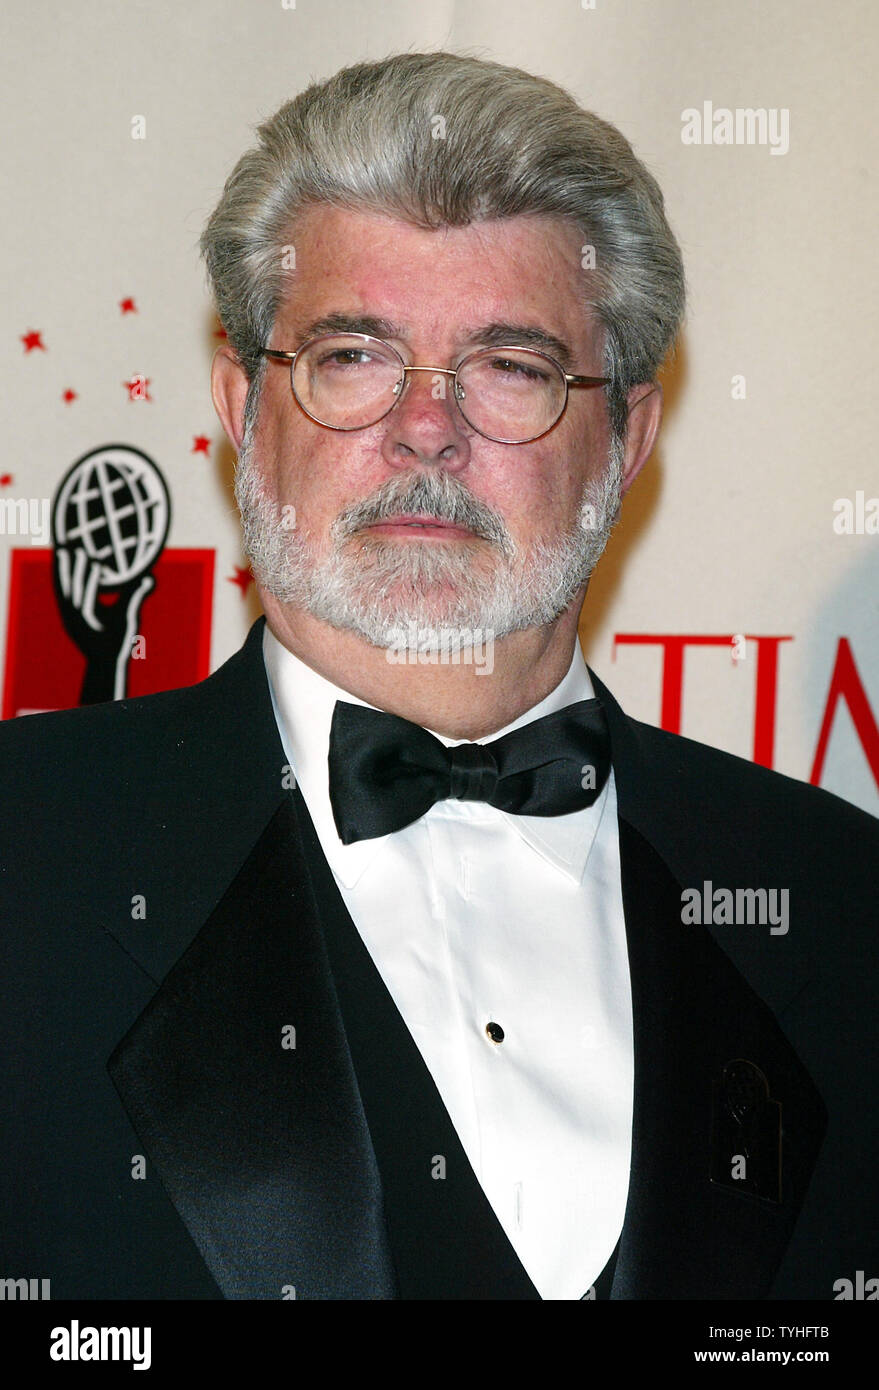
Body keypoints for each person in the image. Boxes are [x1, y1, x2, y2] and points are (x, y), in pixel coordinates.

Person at [1, 51, 876, 1302]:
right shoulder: (24, 851)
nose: (426, 427)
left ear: (626, 438)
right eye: (355, 355)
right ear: (244, 408)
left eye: (509, 368)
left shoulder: (845, 905)